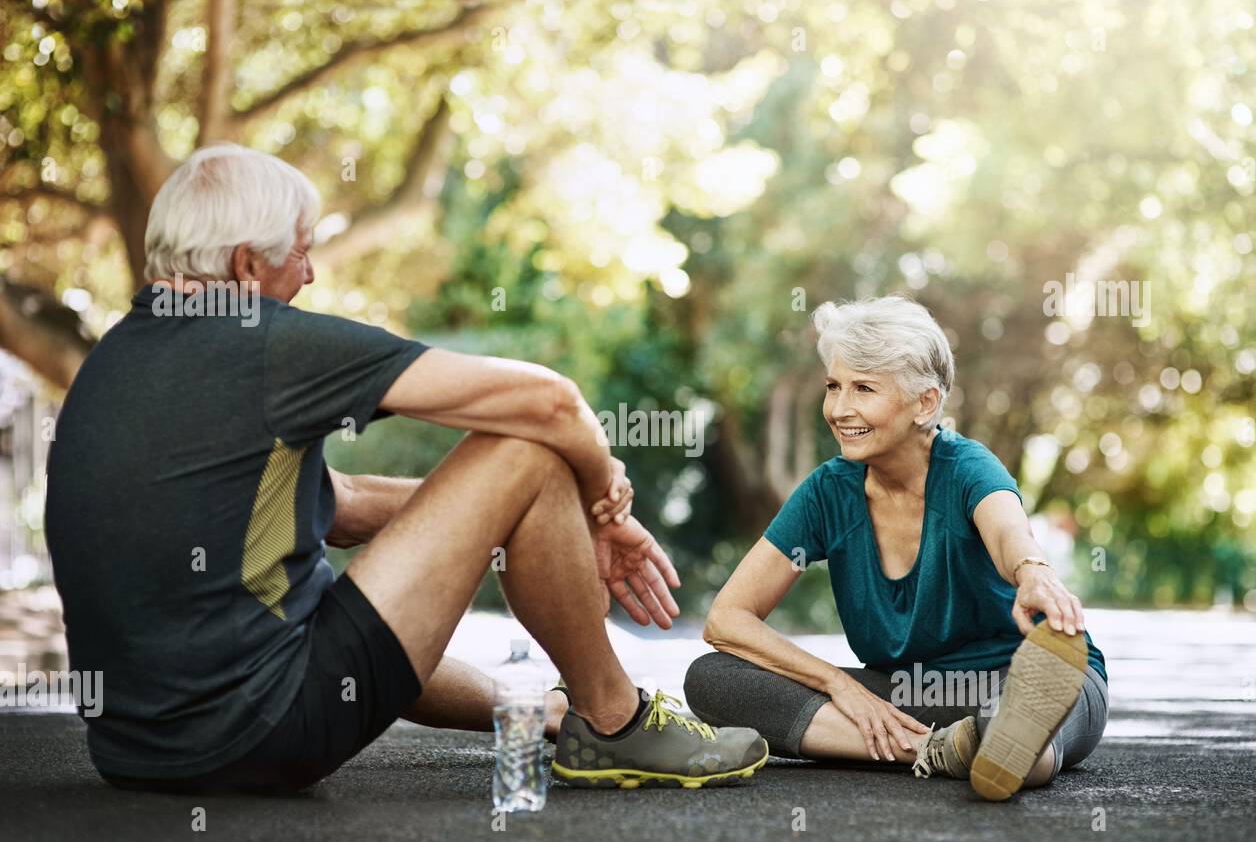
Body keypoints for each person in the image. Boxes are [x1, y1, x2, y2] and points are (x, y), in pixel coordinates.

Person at [44, 143, 767, 795]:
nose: (313, 272)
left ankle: (550, 710)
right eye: (301, 252)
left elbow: (349, 503)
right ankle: (614, 720)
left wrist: (530, 520)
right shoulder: (262, 343)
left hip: (137, 753)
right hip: (263, 732)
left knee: (502, 492)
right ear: (245, 266)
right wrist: (604, 503)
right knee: (530, 451)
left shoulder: (114, 365)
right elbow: (552, 402)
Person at [684, 296, 1108, 800]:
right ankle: (941, 751)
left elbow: (1007, 530)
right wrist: (843, 686)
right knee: (712, 679)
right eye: (833, 387)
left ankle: (1006, 745)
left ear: (925, 403)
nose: (840, 409)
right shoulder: (829, 492)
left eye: (863, 388)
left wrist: (1033, 572)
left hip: (1015, 680)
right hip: (910, 694)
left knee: (1018, 725)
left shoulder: (968, 468)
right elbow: (728, 620)